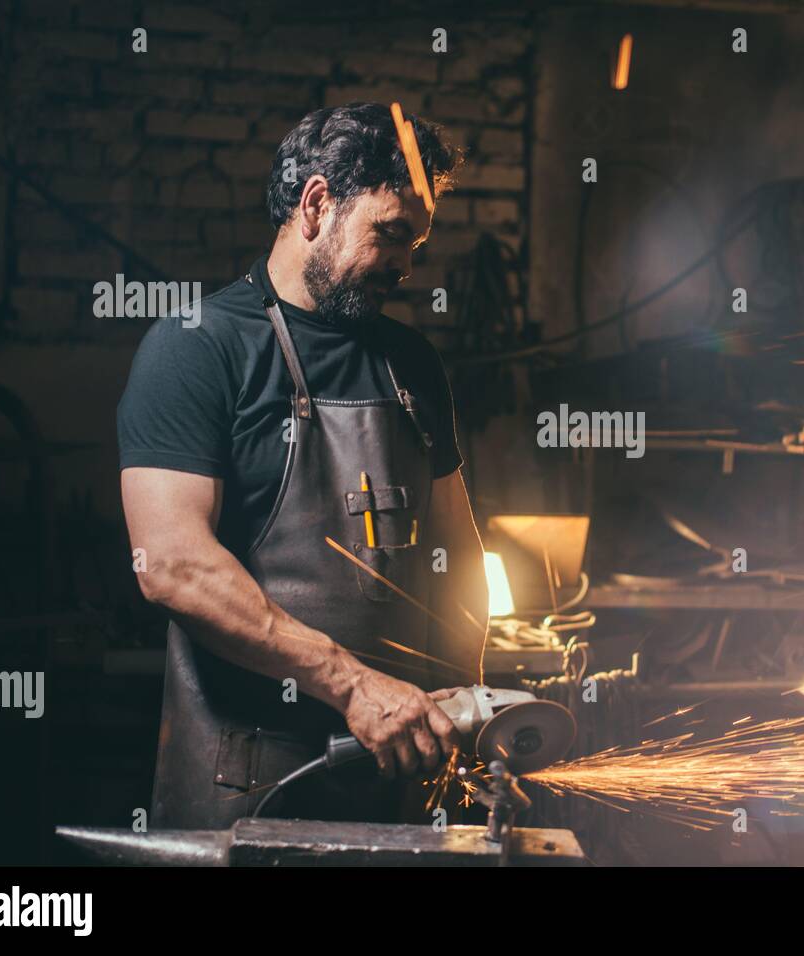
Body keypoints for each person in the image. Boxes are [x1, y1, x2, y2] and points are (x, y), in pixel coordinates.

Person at [117, 104, 488, 828]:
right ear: (317, 204)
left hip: (399, 788)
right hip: (248, 787)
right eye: (390, 232)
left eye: (418, 241)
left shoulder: (413, 364)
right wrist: (353, 687)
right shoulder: (198, 348)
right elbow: (169, 562)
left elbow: (458, 552)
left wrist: (468, 705)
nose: (407, 264)